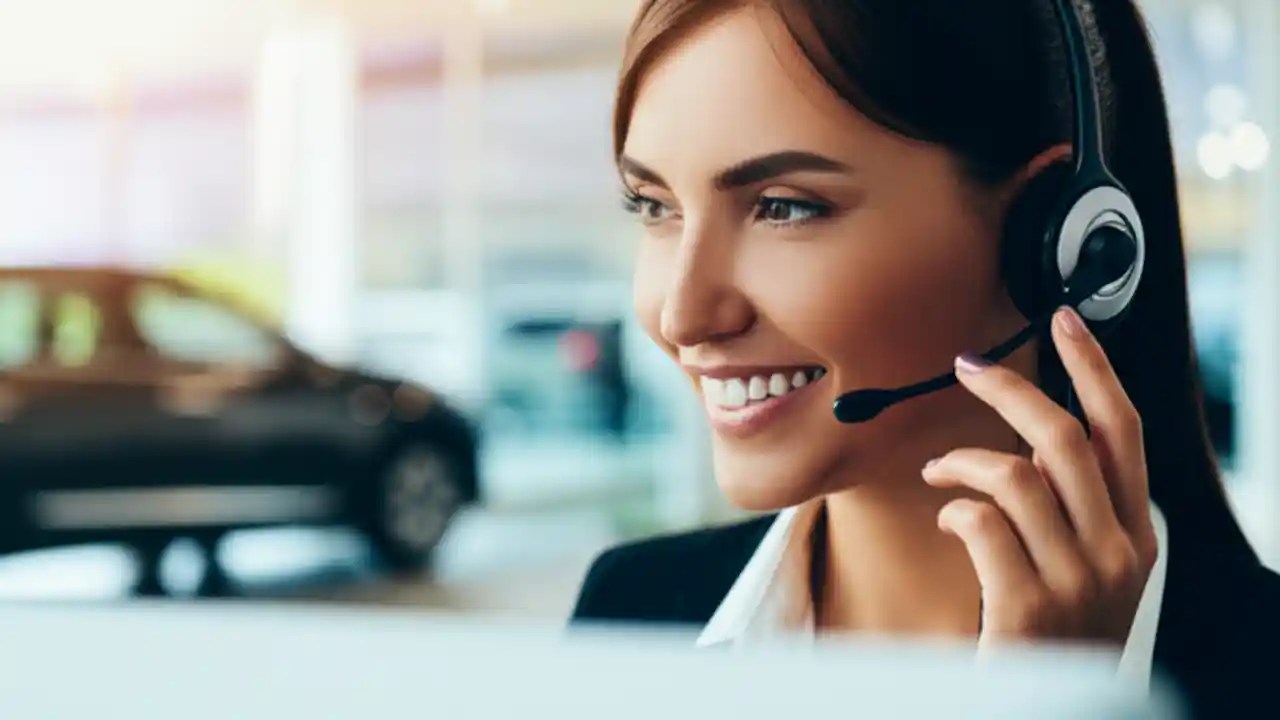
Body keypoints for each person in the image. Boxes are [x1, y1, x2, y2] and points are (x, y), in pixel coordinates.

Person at [569, 1, 1280, 717]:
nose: (682, 314)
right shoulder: (629, 612)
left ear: (1055, 238)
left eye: (784, 207)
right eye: (654, 206)